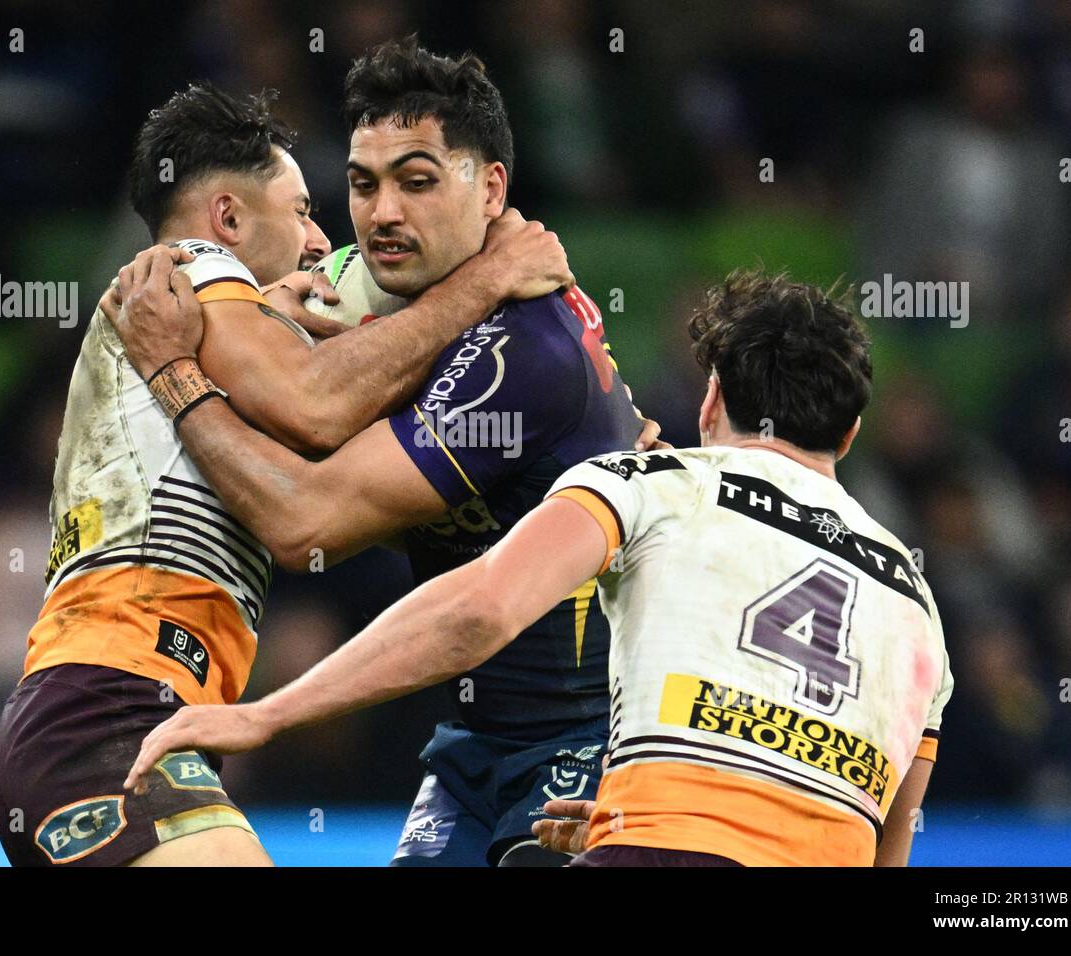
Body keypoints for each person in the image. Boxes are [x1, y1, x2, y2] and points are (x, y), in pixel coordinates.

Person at [125, 270, 954, 868]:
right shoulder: (917, 602)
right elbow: (890, 837)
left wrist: (267, 714)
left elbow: (482, 608)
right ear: (848, 436)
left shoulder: (657, 482)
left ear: (709, 404)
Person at [0, 80, 573, 867]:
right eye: (300, 210)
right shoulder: (182, 269)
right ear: (228, 219)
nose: (316, 239)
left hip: (119, 715)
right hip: (107, 713)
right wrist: (486, 281)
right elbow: (316, 409)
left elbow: (341, 479)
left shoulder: (212, 325)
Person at [106, 38, 658, 866]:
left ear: (492, 188)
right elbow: (279, 328)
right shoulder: (370, 280)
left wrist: (174, 373)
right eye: (364, 184)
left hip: (588, 740)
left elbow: (307, 523)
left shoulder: (526, 351)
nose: (383, 213)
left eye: (418, 180)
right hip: (471, 749)